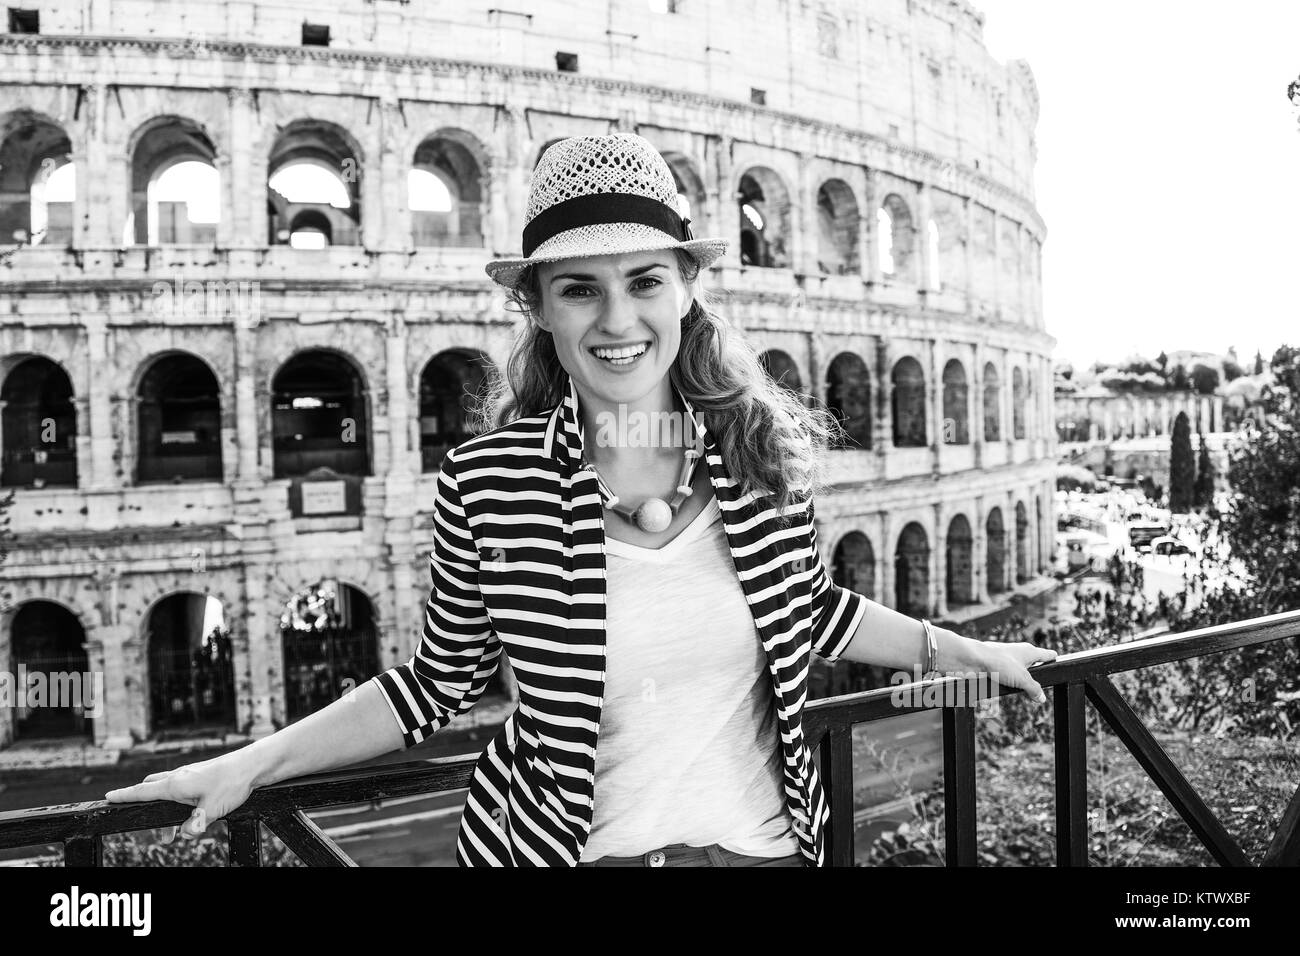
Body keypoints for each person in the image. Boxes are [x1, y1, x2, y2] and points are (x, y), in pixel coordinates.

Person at [106, 132, 1055, 867]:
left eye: (644, 280)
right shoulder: (490, 482)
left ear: (685, 288)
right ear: (540, 307)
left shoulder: (756, 458)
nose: (615, 320)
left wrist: (962, 649)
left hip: (759, 852)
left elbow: (805, 608)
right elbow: (434, 685)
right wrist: (248, 766)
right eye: (578, 289)